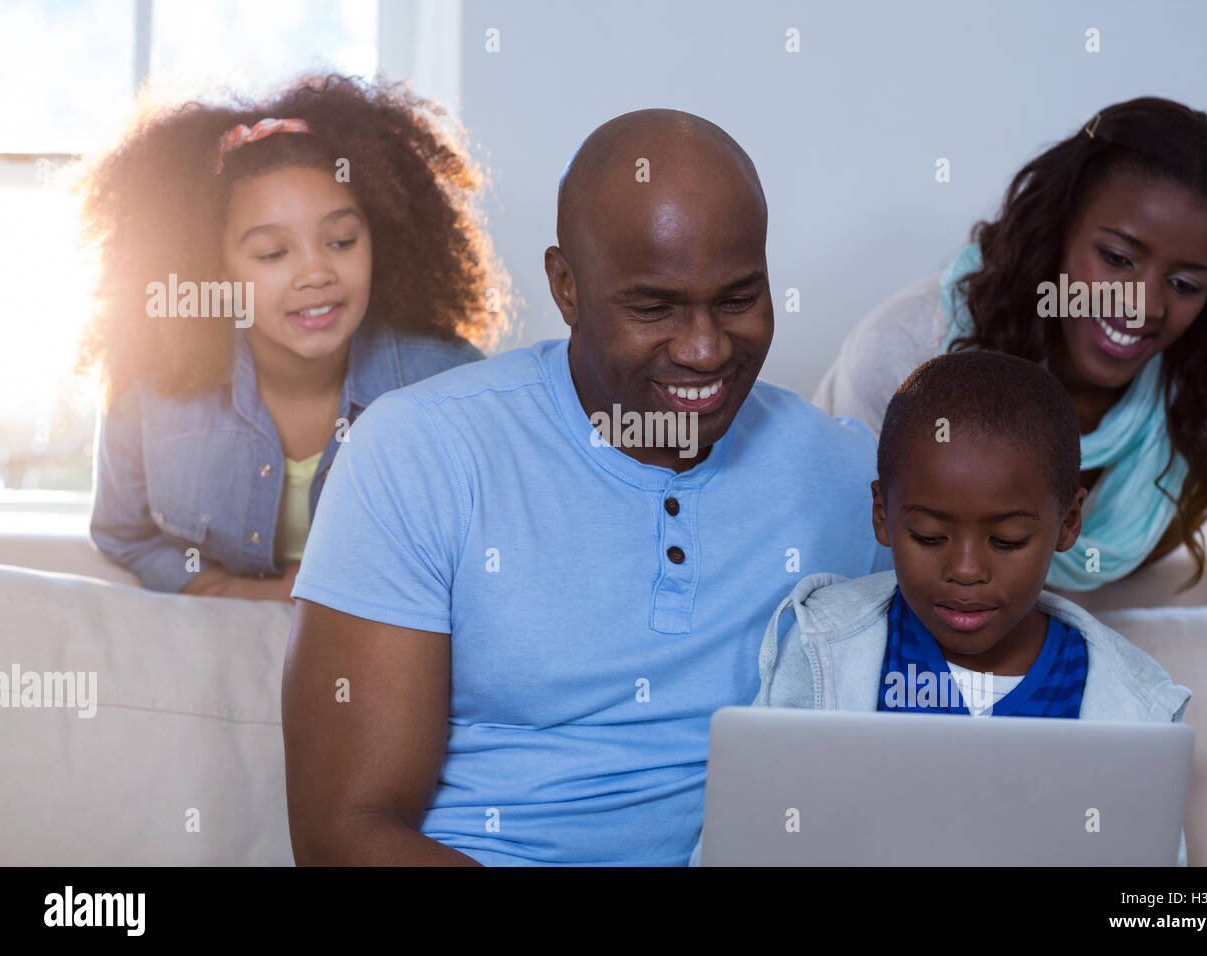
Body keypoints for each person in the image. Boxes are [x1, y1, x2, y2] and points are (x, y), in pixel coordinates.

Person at [282, 108, 892, 866]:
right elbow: (344, 834)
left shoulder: (845, 476)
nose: (705, 349)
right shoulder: (420, 452)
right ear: (565, 288)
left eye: (738, 299)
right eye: (654, 308)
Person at [691, 350, 1191, 865]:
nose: (966, 570)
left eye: (1008, 540)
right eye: (929, 536)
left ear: (1067, 524)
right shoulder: (822, 648)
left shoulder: (1133, 705)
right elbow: (747, 841)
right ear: (882, 515)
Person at [814, 97, 1207, 591]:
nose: (1143, 305)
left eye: (1185, 284)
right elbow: (851, 557)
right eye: (1117, 258)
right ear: (1057, 229)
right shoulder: (903, 351)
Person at [80, 75, 506, 598]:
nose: (314, 273)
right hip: (223, 647)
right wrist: (228, 592)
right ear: (216, 267)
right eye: (272, 254)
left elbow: (497, 551)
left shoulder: (452, 382)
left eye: (341, 241)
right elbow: (124, 534)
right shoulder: (147, 386)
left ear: (380, 241)